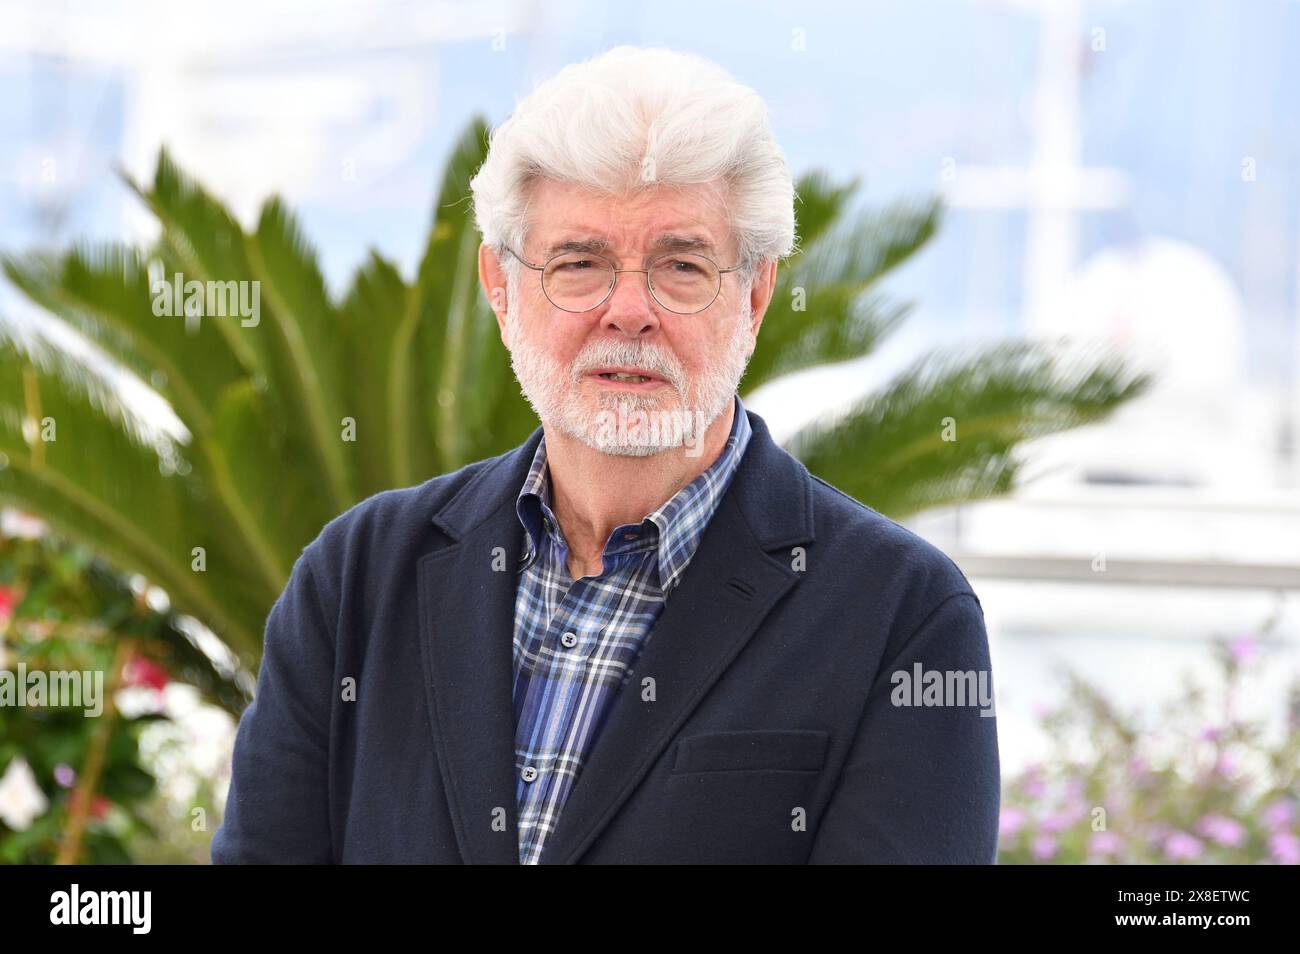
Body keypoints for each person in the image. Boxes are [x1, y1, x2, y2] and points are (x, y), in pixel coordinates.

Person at [211, 45, 999, 865]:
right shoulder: (354, 579)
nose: (628, 311)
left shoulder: (903, 617)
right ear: (500, 286)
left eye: (682, 266)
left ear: (756, 293)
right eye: (579, 263)